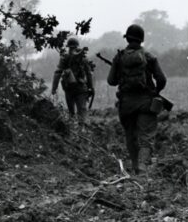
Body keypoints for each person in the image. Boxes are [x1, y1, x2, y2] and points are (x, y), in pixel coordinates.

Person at [107, 24, 167, 175]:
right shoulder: (149, 56)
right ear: (142, 40)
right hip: (146, 102)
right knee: (146, 136)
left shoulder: (119, 57)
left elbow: (111, 81)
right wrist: (156, 92)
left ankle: (134, 166)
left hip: (126, 104)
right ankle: (142, 167)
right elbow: (161, 79)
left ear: (127, 38)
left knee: (130, 135)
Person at [51, 37, 94, 123]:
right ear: (77, 46)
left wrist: (54, 88)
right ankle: (82, 131)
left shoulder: (64, 58)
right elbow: (89, 74)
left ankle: (72, 132)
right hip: (81, 89)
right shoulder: (83, 57)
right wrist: (91, 87)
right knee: (82, 112)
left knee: (71, 113)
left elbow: (57, 73)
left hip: (69, 88)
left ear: (68, 47)